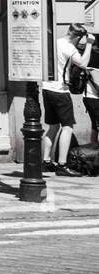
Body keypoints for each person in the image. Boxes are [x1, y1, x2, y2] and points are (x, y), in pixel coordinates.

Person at [45, 23, 92, 176]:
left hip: (47, 88)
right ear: (77, 36)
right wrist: (90, 44)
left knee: (53, 127)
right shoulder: (69, 47)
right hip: (60, 91)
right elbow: (83, 63)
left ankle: (45, 161)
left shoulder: (54, 43)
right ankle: (62, 164)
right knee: (67, 127)